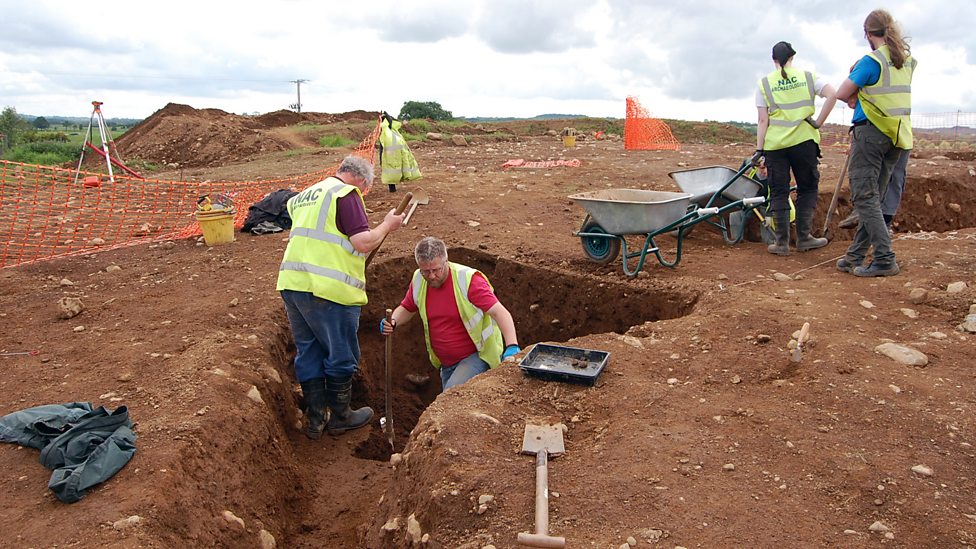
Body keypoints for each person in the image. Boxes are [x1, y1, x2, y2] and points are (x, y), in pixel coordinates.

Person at [276, 155, 405, 439]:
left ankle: (316, 418)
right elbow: (362, 242)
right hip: (328, 290)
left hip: (292, 283)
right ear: (361, 180)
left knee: (308, 349)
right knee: (341, 352)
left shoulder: (305, 195)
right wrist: (386, 225)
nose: (363, 193)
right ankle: (341, 416)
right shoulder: (347, 194)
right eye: (366, 189)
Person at [823, 9, 915, 277]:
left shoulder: (871, 61)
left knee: (865, 196)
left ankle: (885, 258)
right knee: (874, 196)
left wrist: (858, 91)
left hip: (871, 133)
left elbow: (841, 93)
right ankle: (855, 256)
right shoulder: (906, 61)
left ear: (867, 33)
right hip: (897, 136)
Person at [379, 236, 520, 392]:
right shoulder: (419, 279)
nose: (431, 276)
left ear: (446, 261)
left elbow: (499, 312)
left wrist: (512, 345)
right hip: (446, 364)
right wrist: (393, 321)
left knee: (450, 395)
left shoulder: (468, 280)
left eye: (436, 270)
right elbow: (408, 307)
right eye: (426, 271)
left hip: (476, 356)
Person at [756, 41, 838, 256]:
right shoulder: (808, 77)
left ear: (774, 60)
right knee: (807, 188)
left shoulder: (764, 84)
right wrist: (819, 122)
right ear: (792, 57)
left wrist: (759, 150)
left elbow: (762, 120)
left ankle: (781, 243)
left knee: (779, 191)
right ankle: (804, 238)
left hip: (776, 146)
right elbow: (833, 94)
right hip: (804, 143)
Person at [837, 149, 909, 235]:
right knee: (869, 174)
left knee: (891, 176)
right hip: (879, 140)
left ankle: (881, 221)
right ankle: (864, 215)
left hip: (895, 141)